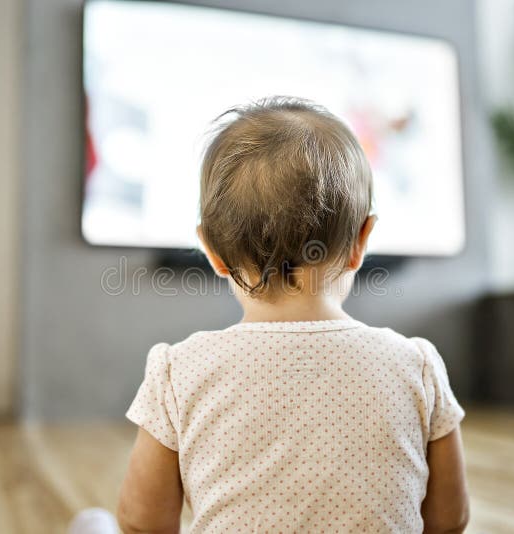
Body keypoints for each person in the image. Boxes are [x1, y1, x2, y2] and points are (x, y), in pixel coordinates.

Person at [71, 96, 468, 534]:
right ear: (361, 241)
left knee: (93, 524)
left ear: (213, 253)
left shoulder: (179, 370)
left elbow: (143, 523)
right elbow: (449, 521)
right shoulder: (417, 365)